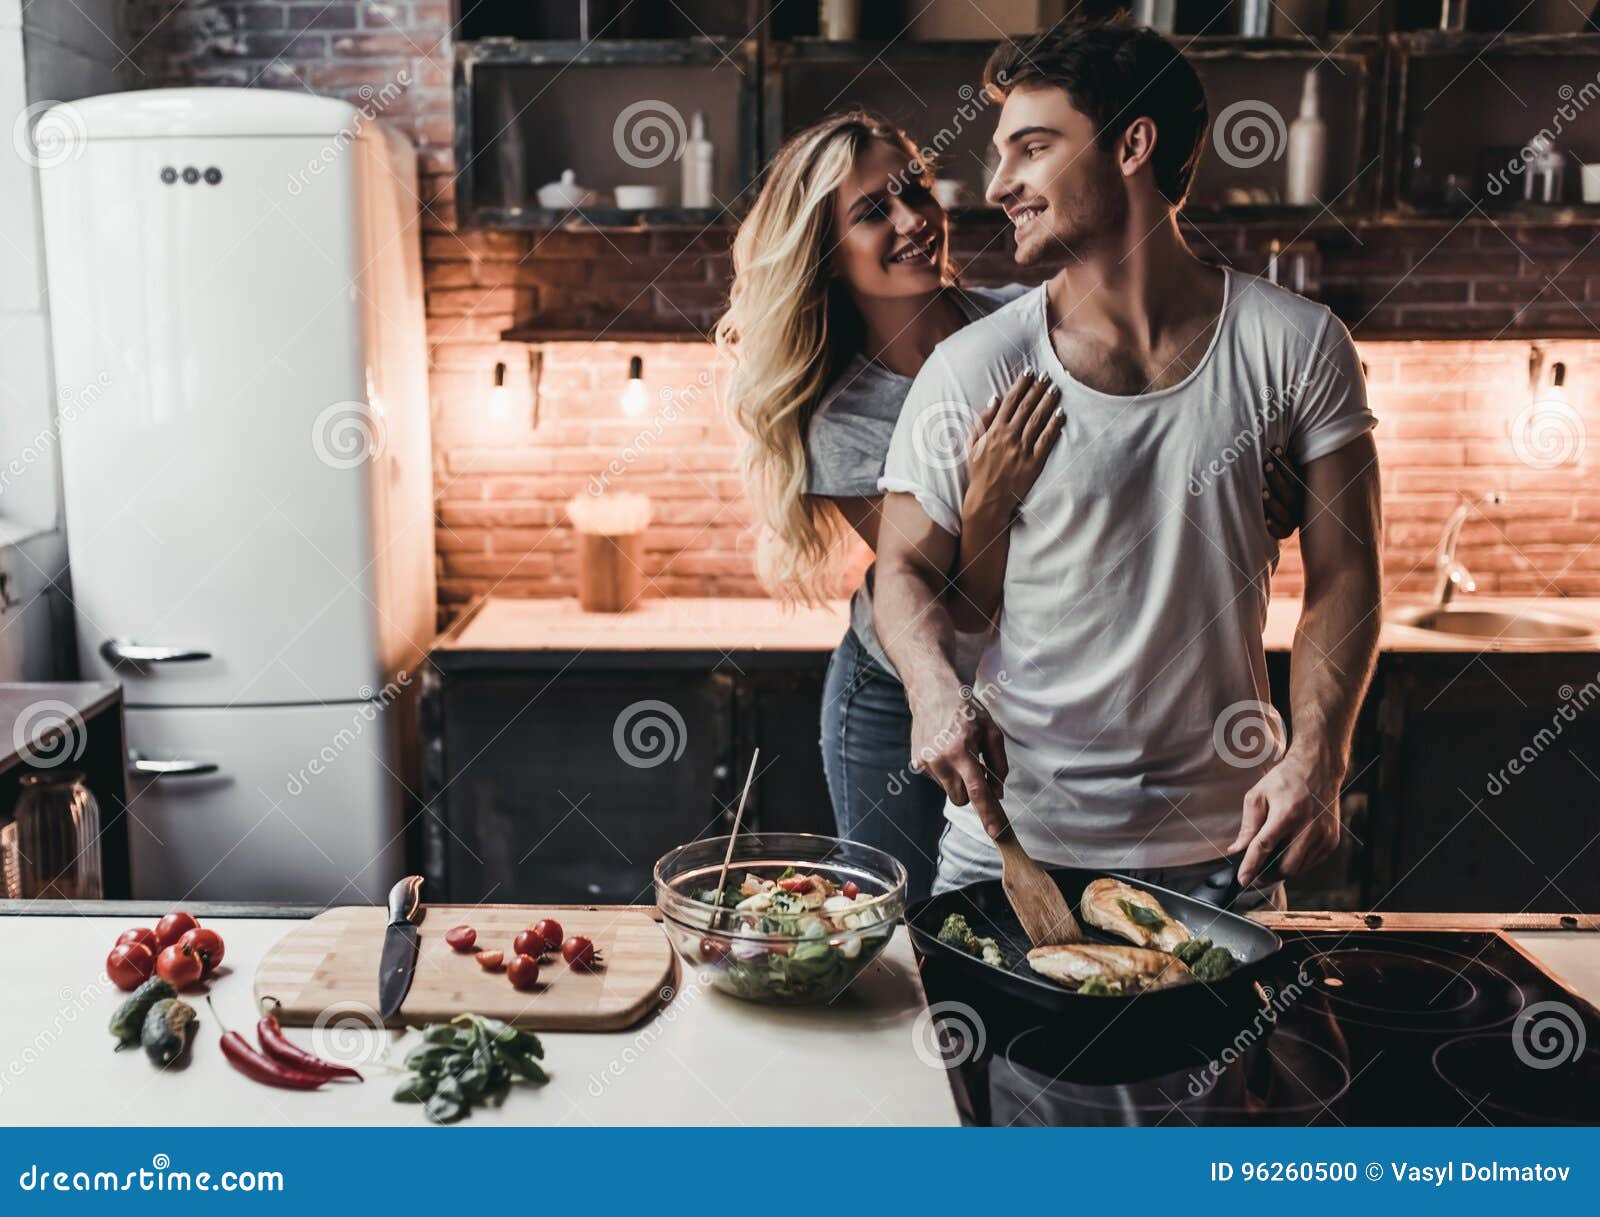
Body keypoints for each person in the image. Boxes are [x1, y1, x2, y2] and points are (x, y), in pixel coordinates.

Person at [717, 109, 1304, 903]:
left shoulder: (1023, 325)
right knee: (898, 929)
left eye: (913, 190)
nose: (913, 221)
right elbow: (958, 609)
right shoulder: (845, 419)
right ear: (826, 256)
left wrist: (1256, 487)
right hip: (899, 693)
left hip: (1023, 694)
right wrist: (989, 502)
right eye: (871, 213)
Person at [872, 23, 1382, 911]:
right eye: (1002, 154)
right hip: (1013, 854)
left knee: (1237, 1057)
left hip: (1227, 855)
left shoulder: (1299, 346)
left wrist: (1318, 757)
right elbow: (902, 567)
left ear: (1134, 145)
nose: (999, 187)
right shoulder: (977, 367)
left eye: (1033, 149)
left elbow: (1347, 574)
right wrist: (930, 690)